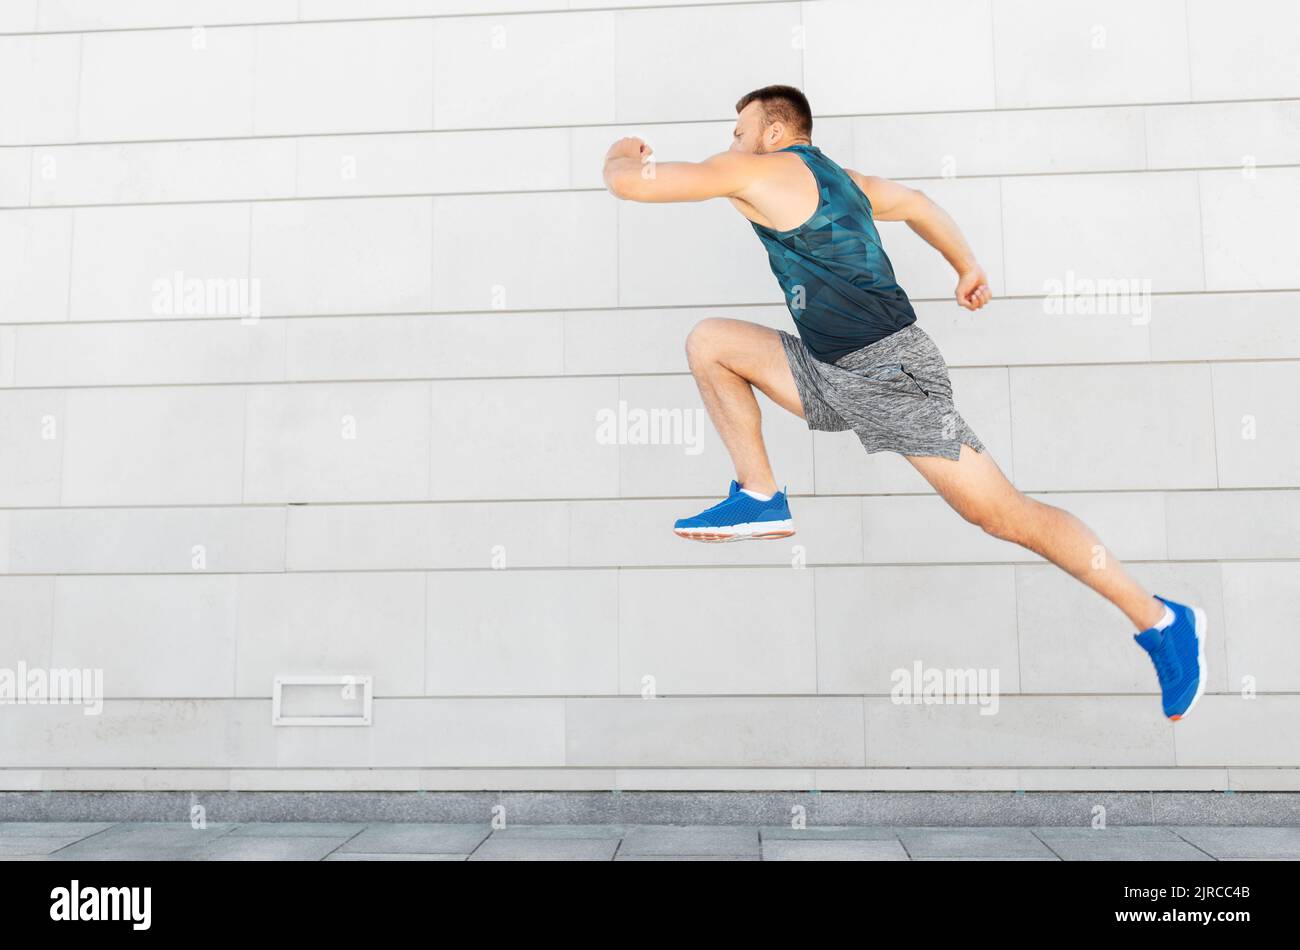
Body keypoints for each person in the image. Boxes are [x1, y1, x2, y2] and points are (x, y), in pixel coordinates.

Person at [601, 84, 1206, 721]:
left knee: (1002, 514)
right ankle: (759, 495)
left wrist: (617, 154)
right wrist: (965, 264)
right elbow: (916, 202)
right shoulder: (846, 182)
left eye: (739, 130)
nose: (732, 143)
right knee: (712, 343)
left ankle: (1163, 620)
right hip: (829, 368)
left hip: (891, 372)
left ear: (773, 132)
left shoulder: (756, 169)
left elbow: (633, 184)